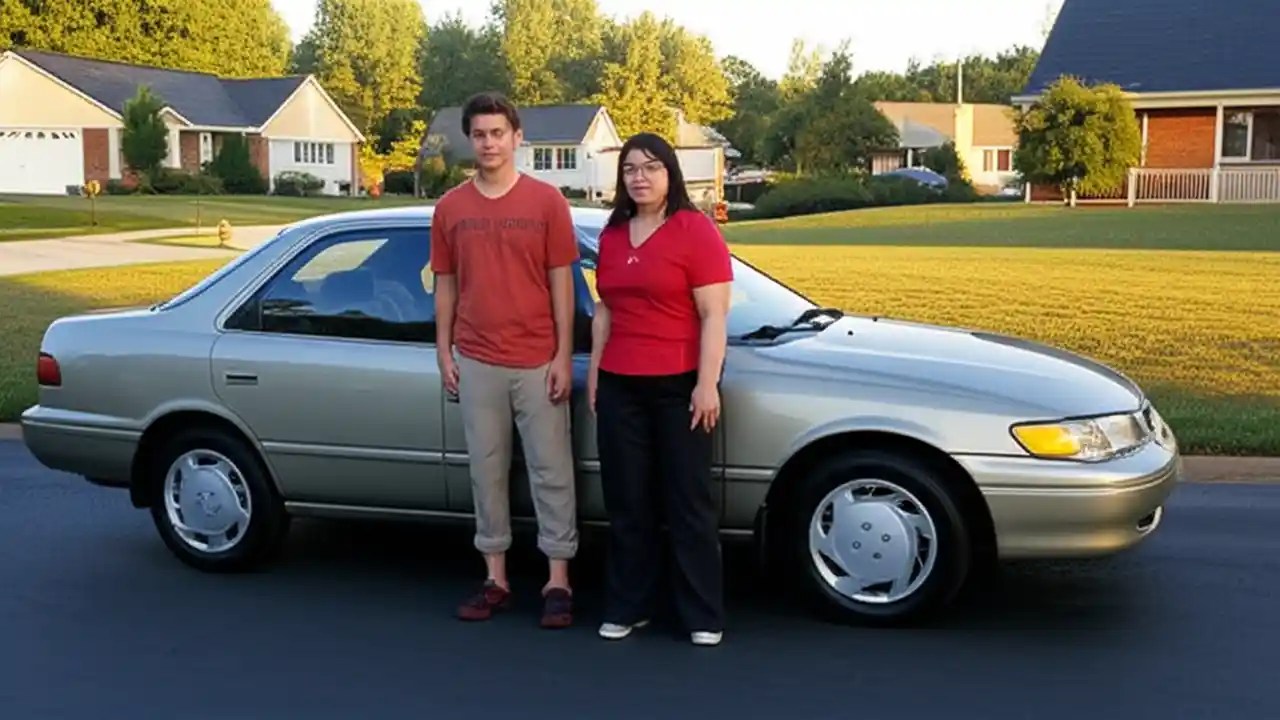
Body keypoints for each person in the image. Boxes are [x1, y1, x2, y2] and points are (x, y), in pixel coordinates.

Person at [430, 91, 580, 629]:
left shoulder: (547, 203)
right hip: (477, 360)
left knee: (552, 472)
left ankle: (557, 581)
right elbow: (445, 285)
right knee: (486, 471)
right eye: (479, 134)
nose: (489, 143)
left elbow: (563, 283)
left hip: (538, 359)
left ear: (517, 138)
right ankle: (495, 578)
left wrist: (562, 355)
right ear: (469, 140)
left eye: (498, 133)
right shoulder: (450, 209)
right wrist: (443, 350)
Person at [587, 132, 734, 646]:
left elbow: (714, 315)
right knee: (628, 502)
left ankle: (702, 615)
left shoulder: (696, 231)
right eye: (630, 168)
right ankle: (630, 605)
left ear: (670, 174)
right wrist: (596, 374)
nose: (640, 177)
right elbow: (605, 310)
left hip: (679, 386)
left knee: (687, 502)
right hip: (620, 386)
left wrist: (706, 384)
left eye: (651, 167)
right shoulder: (612, 234)